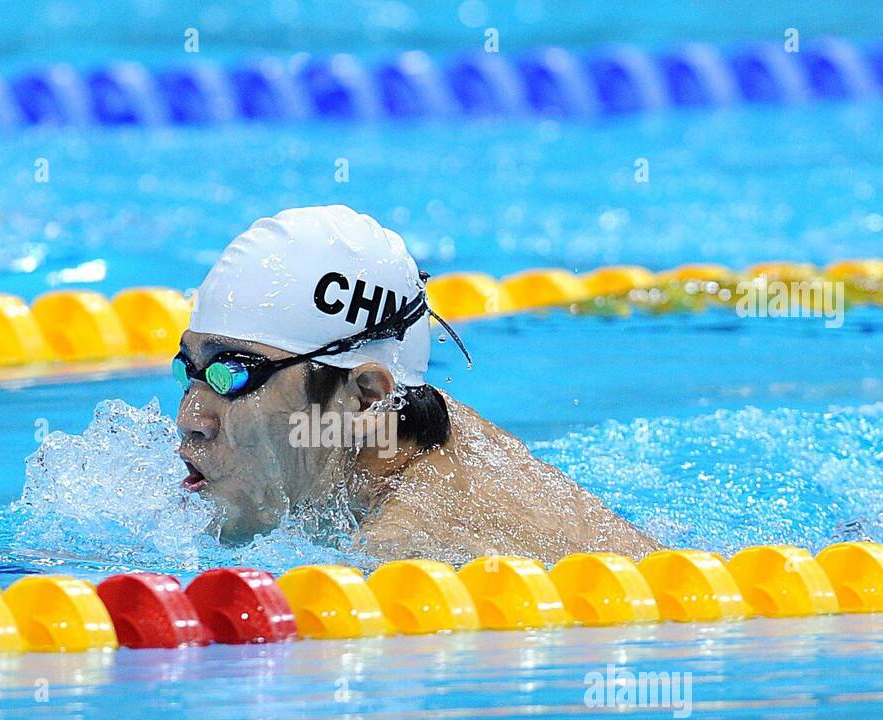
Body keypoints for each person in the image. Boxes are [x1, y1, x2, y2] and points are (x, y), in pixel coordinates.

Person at [173, 204, 658, 563]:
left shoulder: (413, 552)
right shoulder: (403, 432)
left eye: (234, 374)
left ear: (365, 397)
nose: (190, 419)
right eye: (189, 370)